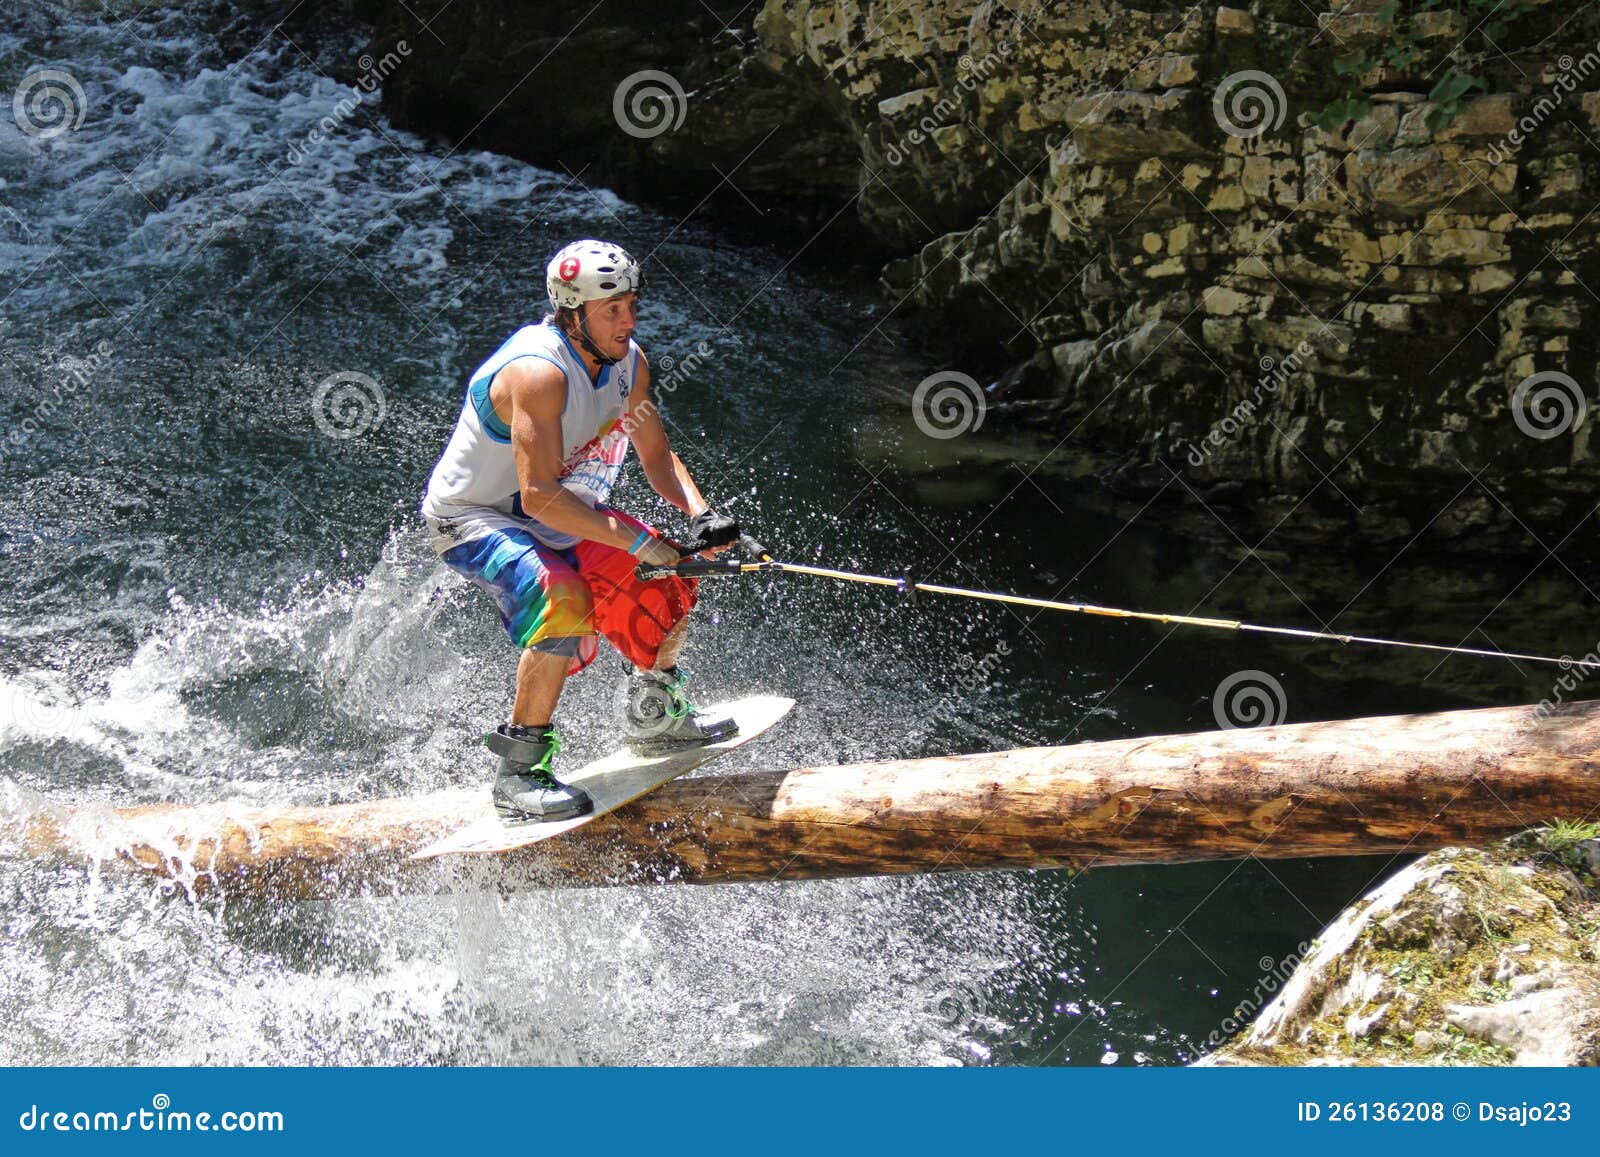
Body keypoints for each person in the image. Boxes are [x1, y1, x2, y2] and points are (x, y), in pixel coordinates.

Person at [421, 239, 741, 823]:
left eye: (631, 304)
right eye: (611, 310)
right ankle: (518, 774)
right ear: (572, 311)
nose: (628, 320)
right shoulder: (537, 373)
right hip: (474, 516)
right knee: (562, 598)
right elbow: (539, 495)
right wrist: (641, 540)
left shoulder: (630, 364)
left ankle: (656, 713)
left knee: (664, 577)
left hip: (560, 505)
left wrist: (701, 515)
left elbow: (656, 456)